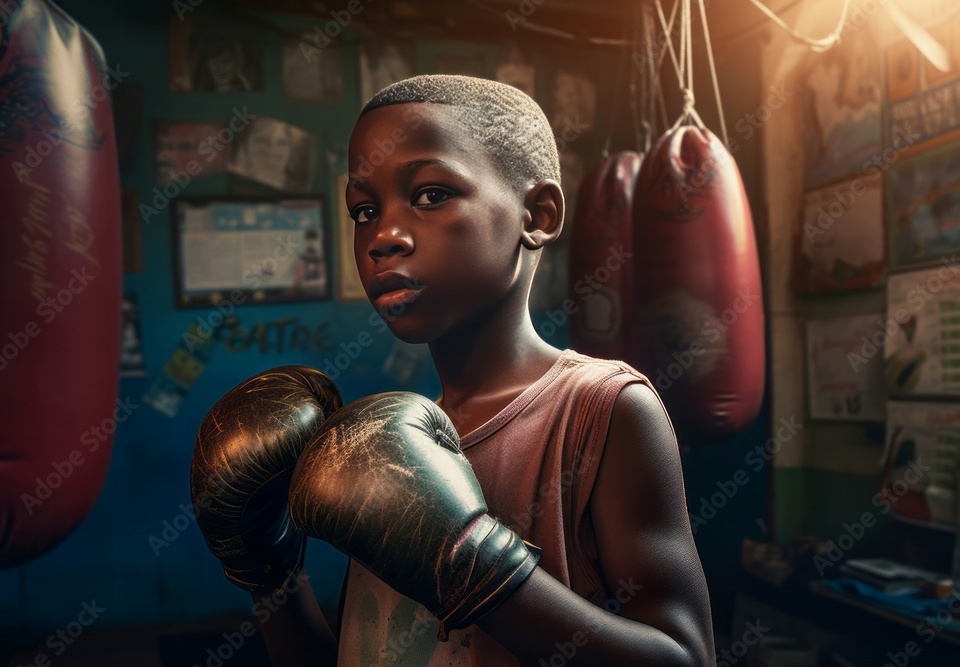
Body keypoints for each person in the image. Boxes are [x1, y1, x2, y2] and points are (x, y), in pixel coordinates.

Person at [192, 74, 714, 666]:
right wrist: (271, 578)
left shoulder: (603, 408)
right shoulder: (391, 448)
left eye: (431, 195)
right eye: (364, 210)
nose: (382, 237)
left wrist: (470, 566)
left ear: (537, 214)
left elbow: (685, 657)